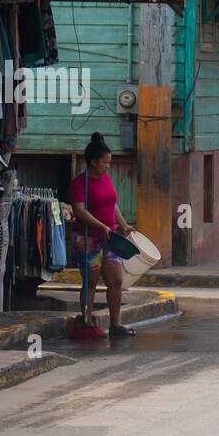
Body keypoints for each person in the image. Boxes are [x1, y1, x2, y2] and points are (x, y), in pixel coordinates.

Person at [69, 132, 136, 337]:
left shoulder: (106, 179)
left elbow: (112, 203)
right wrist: (101, 226)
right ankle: (87, 321)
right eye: (105, 163)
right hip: (88, 239)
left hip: (110, 238)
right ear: (93, 161)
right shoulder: (80, 183)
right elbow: (79, 211)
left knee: (115, 281)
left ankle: (115, 324)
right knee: (91, 282)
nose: (108, 166)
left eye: (109, 162)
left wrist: (123, 225)